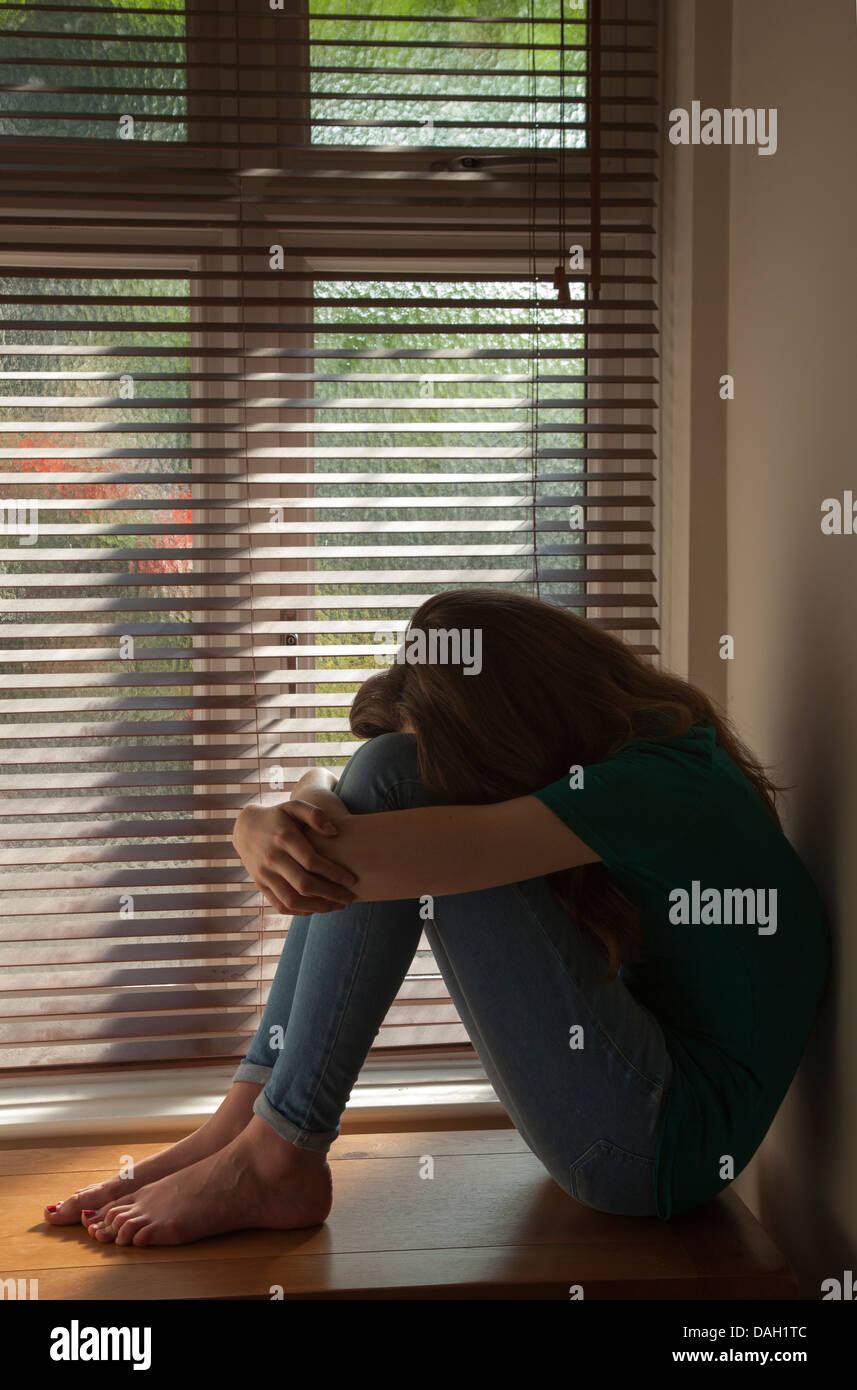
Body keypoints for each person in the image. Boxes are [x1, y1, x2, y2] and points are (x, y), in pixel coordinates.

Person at [44, 589, 829, 1247]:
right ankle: (243, 1129)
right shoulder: (658, 752)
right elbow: (348, 804)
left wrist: (259, 821)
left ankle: (277, 1151)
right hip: (640, 1111)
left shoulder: (643, 788)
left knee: (386, 779)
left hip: (645, 1149)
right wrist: (289, 808)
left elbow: (356, 839)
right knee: (380, 774)